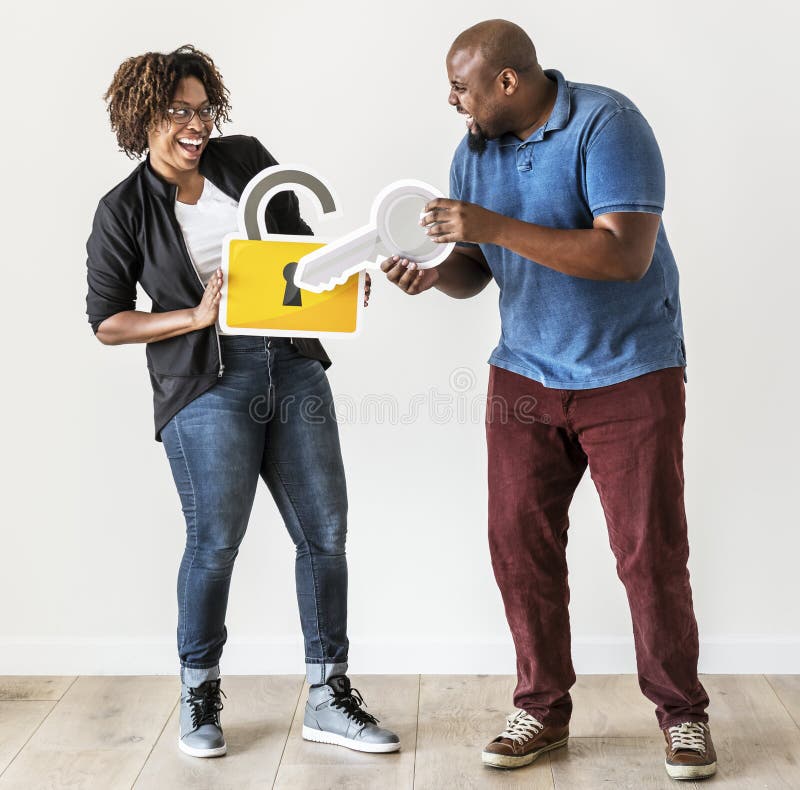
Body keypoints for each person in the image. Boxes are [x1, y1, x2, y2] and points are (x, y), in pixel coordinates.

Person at [381, 19, 715, 782]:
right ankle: (541, 708)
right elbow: (476, 267)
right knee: (518, 546)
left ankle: (683, 715)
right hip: (525, 375)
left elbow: (624, 254)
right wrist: (434, 273)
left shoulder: (609, 124)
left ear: (507, 81)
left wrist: (491, 225)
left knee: (649, 553)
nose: (452, 102)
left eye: (461, 87)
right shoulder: (473, 152)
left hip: (629, 371)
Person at [86, 45, 398, 758]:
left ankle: (328, 696)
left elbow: (297, 254)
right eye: (179, 112)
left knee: (325, 533)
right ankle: (199, 696)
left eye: (204, 111)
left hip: (292, 367)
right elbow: (107, 321)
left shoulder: (246, 161)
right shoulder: (123, 210)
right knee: (216, 541)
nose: (196, 125)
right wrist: (192, 317)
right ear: (142, 117)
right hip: (206, 385)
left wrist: (339, 280)